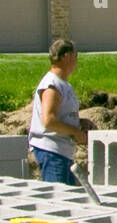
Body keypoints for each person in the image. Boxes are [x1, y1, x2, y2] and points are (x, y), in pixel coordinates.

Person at [29, 39, 96, 185]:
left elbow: (61, 116)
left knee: (68, 197)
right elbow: (49, 120)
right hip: (52, 151)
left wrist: (79, 123)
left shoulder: (63, 84)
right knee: (59, 198)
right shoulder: (52, 84)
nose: (76, 61)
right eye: (75, 56)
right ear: (67, 57)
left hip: (63, 152)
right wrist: (76, 133)